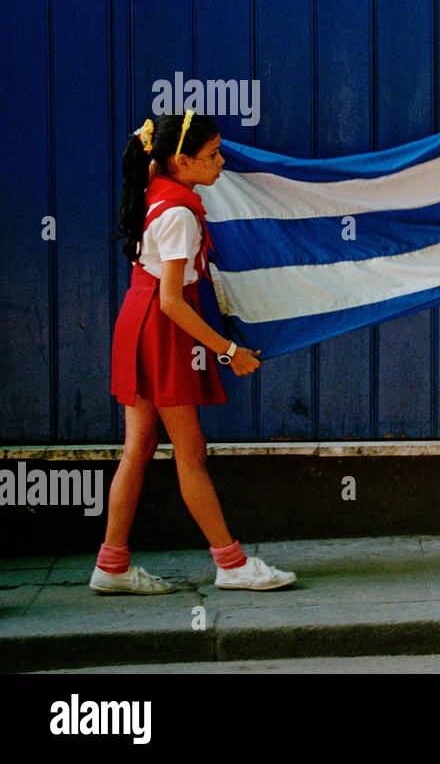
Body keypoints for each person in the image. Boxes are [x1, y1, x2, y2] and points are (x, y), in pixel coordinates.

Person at [90, 111, 296, 594]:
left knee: (138, 448)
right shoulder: (181, 213)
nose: (222, 162)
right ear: (181, 161)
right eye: (212, 155)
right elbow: (172, 300)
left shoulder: (156, 191)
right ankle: (231, 563)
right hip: (160, 329)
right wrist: (230, 352)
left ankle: (112, 564)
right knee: (190, 451)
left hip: (137, 322)